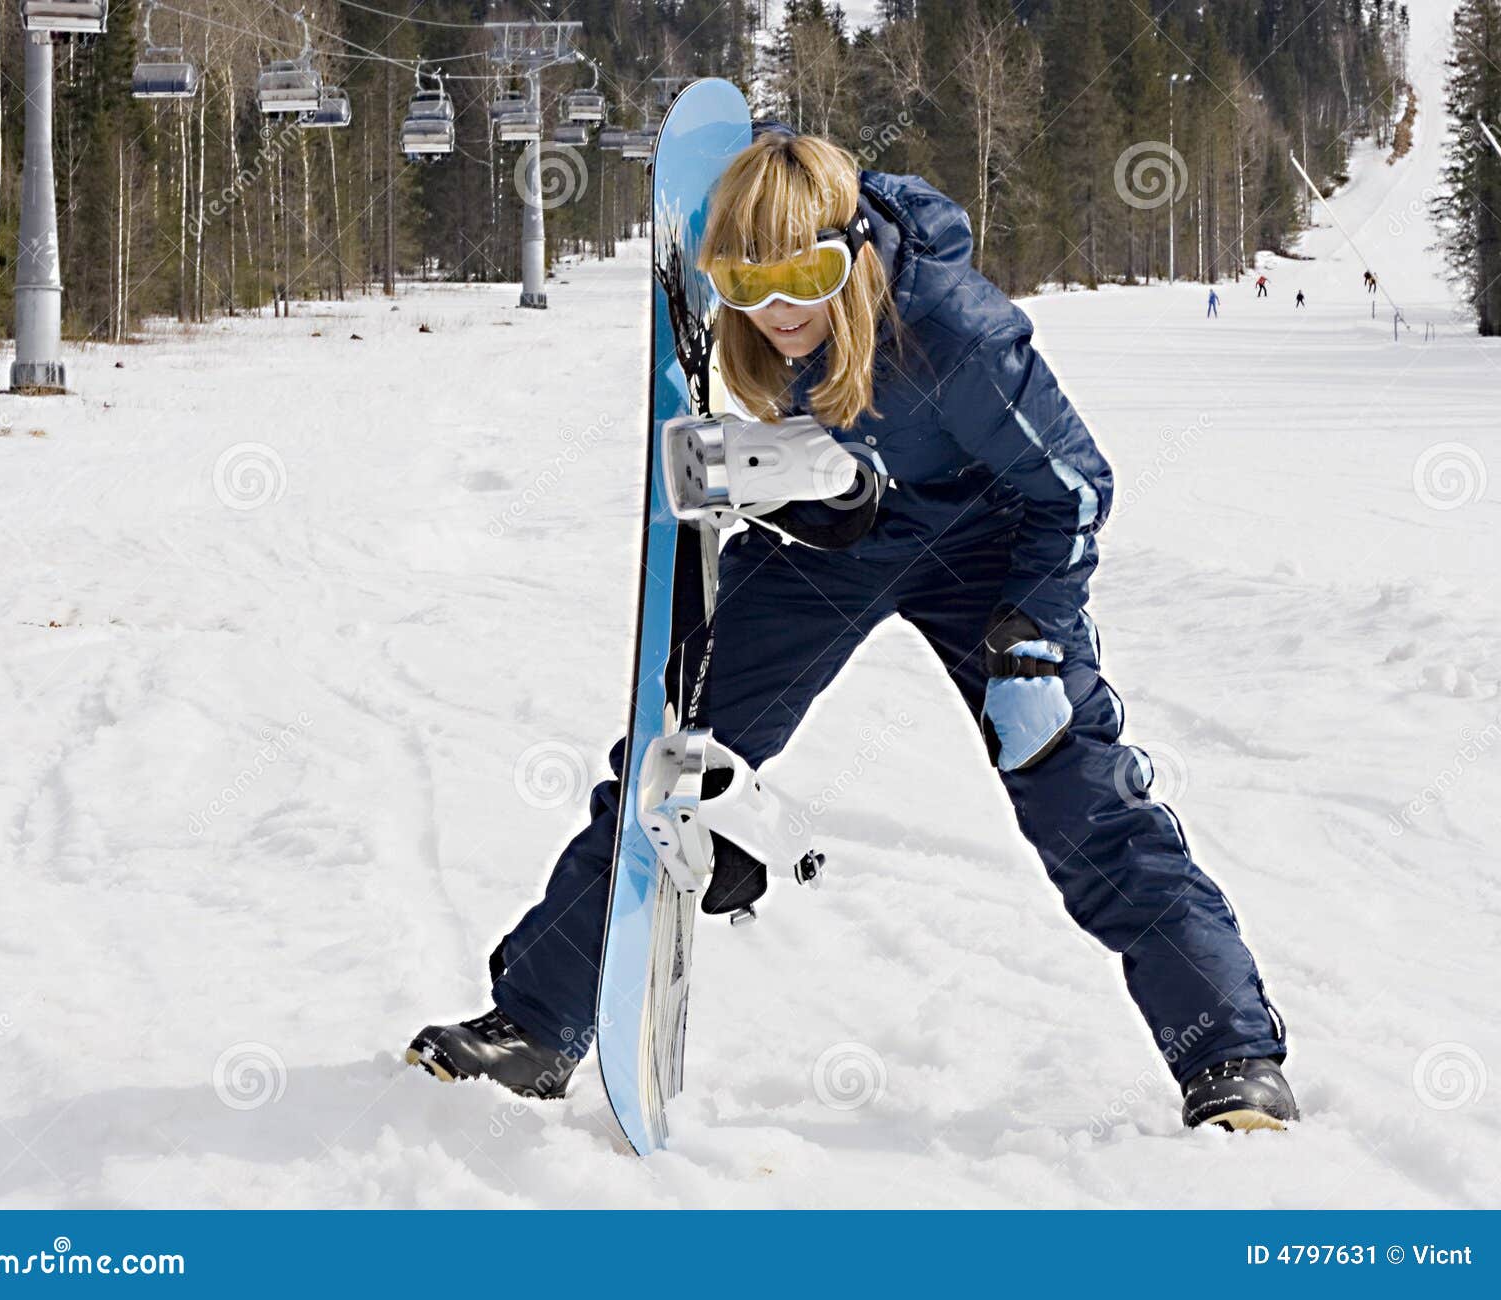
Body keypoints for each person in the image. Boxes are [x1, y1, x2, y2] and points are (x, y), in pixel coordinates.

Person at [407, 130, 1297, 1133]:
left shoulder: (955, 330)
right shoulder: (750, 322)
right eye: (749, 280)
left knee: (1074, 790)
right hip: (850, 539)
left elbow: (1076, 487)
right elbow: (817, 453)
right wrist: (790, 486)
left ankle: (1228, 1053)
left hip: (992, 549)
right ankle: (535, 1023)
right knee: (673, 762)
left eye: (806, 273)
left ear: (854, 254)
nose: (779, 305)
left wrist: (1035, 637)